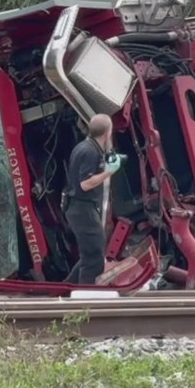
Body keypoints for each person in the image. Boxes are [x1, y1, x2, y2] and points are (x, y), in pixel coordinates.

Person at [63, 113, 121, 285]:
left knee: (89, 254)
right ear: (108, 133)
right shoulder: (90, 152)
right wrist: (109, 172)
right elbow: (85, 184)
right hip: (82, 209)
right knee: (95, 257)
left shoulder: (84, 146)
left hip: (78, 208)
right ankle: (85, 299)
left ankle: (65, 288)